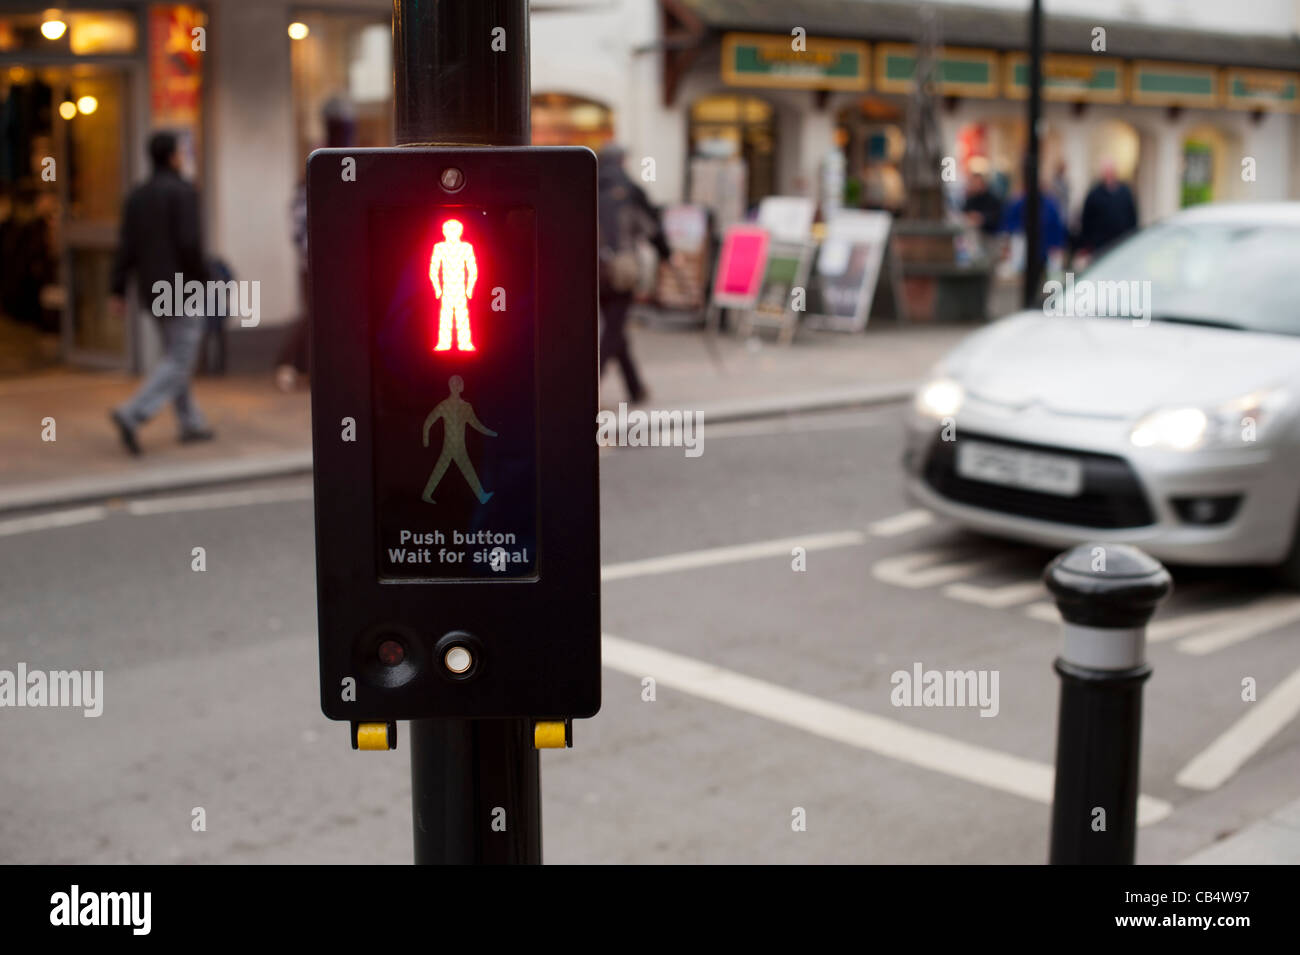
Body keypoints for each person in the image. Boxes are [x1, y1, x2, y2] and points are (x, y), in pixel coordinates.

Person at [108, 130, 213, 455]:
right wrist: (206, 280)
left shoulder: (137, 196)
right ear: (172, 156)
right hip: (183, 288)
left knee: (174, 355)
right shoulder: (182, 192)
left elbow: (126, 247)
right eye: (182, 151)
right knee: (180, 360)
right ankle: (133, 413)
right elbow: (189, 245)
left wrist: (118, 288)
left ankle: (190, 422)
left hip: (153, 290)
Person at [276, 96, 357, 391]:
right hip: (319, 260)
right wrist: (319, 253)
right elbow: (301, 221)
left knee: (328, 314)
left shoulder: (344, 162)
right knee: (318, 313)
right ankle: (294, 366)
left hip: (337, 259)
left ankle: (309, 368)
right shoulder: (320, 164)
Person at [597, 144, 669, 405]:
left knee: (615, 326)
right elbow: (652, 228)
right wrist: (668, 254)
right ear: (622, 162)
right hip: (620, 270)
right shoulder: (630, 190)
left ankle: (635, 388)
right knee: (614, 327)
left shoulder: (586, 184)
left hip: (590, 270)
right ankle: (591, 386)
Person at [1078, 159, 1138, 256]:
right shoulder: (1094, 194)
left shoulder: (1125, 192)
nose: (1109, 174)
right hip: (1100, 246)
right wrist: (1086, 245)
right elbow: (1086, 221)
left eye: (1111, 171)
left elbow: (1133, 217)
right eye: (1106, 171)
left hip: (1122, 244)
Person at [961, 168, 1002, 237]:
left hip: (990, 235)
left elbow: (997, 217)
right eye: (973, 183)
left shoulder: (992, 199)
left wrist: (982, 218)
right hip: (973, 234)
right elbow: (964, 213)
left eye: (977, 182)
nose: (975, 185)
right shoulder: (971, 198)